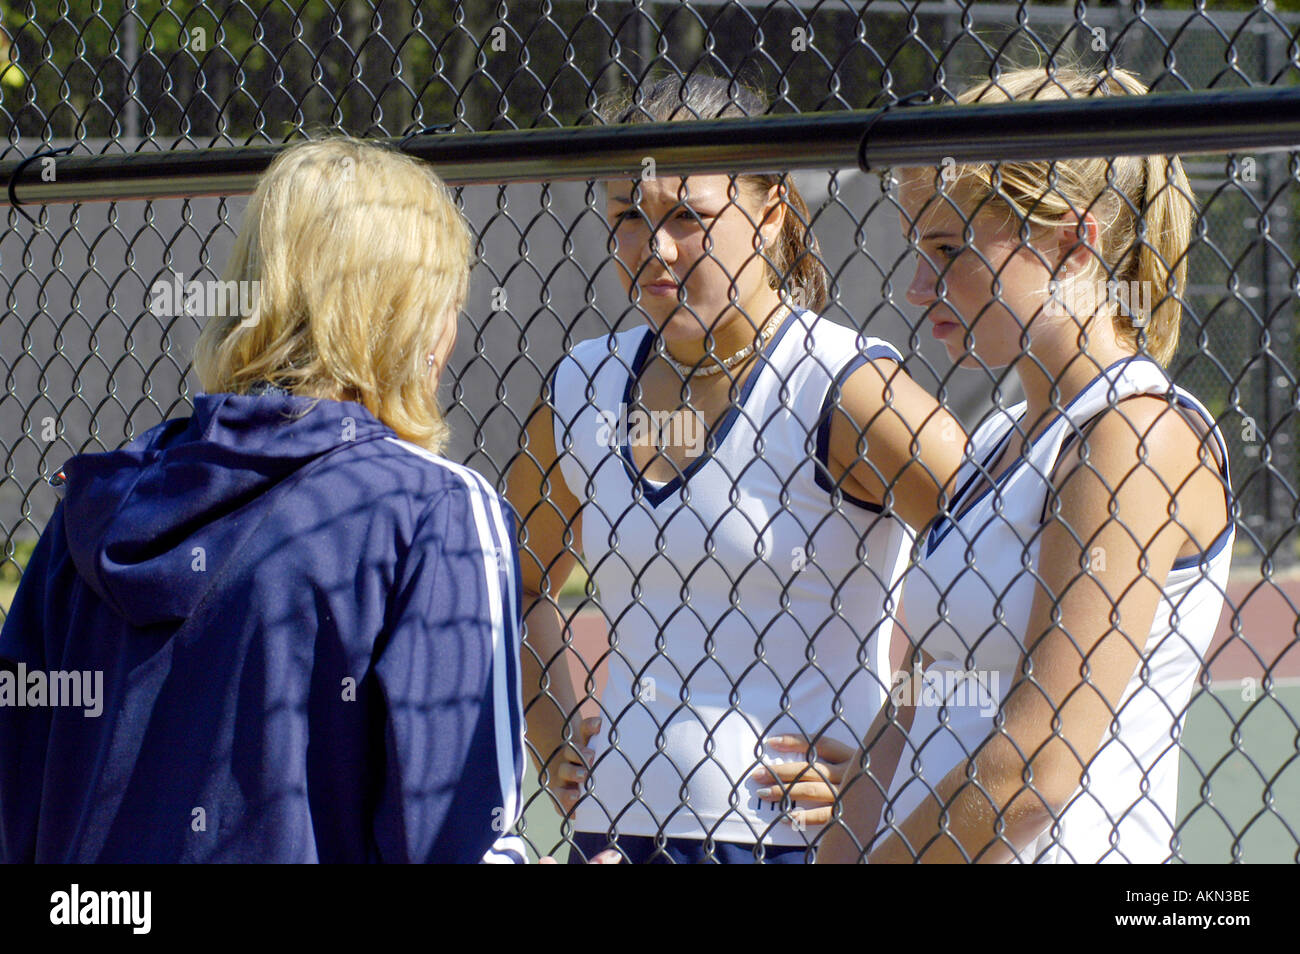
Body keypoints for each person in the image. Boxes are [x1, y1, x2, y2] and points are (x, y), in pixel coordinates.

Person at [0, 137, 532, 863]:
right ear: (409, 316)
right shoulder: (434, 511)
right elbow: (455, 840)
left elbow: (16, 792)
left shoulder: (97, 500)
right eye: (449, 304)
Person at [505, 73, 965, 863]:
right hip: (616, 833)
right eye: (628, 216)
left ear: (770, 211)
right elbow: (515, 583)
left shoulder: (843, 386)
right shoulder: (582, 386)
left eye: (689, 216)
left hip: (795, 843)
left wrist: (894, 763)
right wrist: (553, 735)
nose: (655, 248)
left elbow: (1001, 572)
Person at [819, 66, 1235, 863]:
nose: (915, 286)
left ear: (1073, 245)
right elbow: (917, 699)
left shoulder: (1133, 437)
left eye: (946, 248)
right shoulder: (1002, 441)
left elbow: (1037, 767)